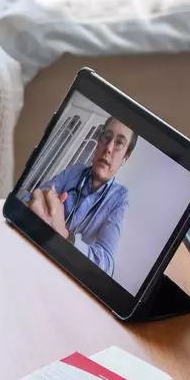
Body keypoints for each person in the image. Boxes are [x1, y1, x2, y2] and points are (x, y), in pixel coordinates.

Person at [27, 116, 135, 274]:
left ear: (125, 157)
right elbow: (36, 197)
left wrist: (64, 235)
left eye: (119, 143)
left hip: (67, 271)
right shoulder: (75, 171)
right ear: (98, 142)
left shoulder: (120, 198)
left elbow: (106, 265)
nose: (109, 148)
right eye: (106, 137)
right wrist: (34, 204)